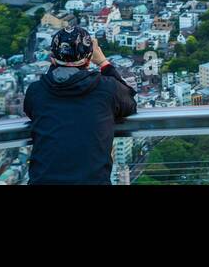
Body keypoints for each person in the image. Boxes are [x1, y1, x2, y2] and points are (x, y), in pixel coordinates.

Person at [23, 26, 137, 184]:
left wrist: (58, 62)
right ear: (89, 59)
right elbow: (130, 103)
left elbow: (35, 110)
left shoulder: (36, 92)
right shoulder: (106, 88)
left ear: (52, 59)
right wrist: (103, 62)